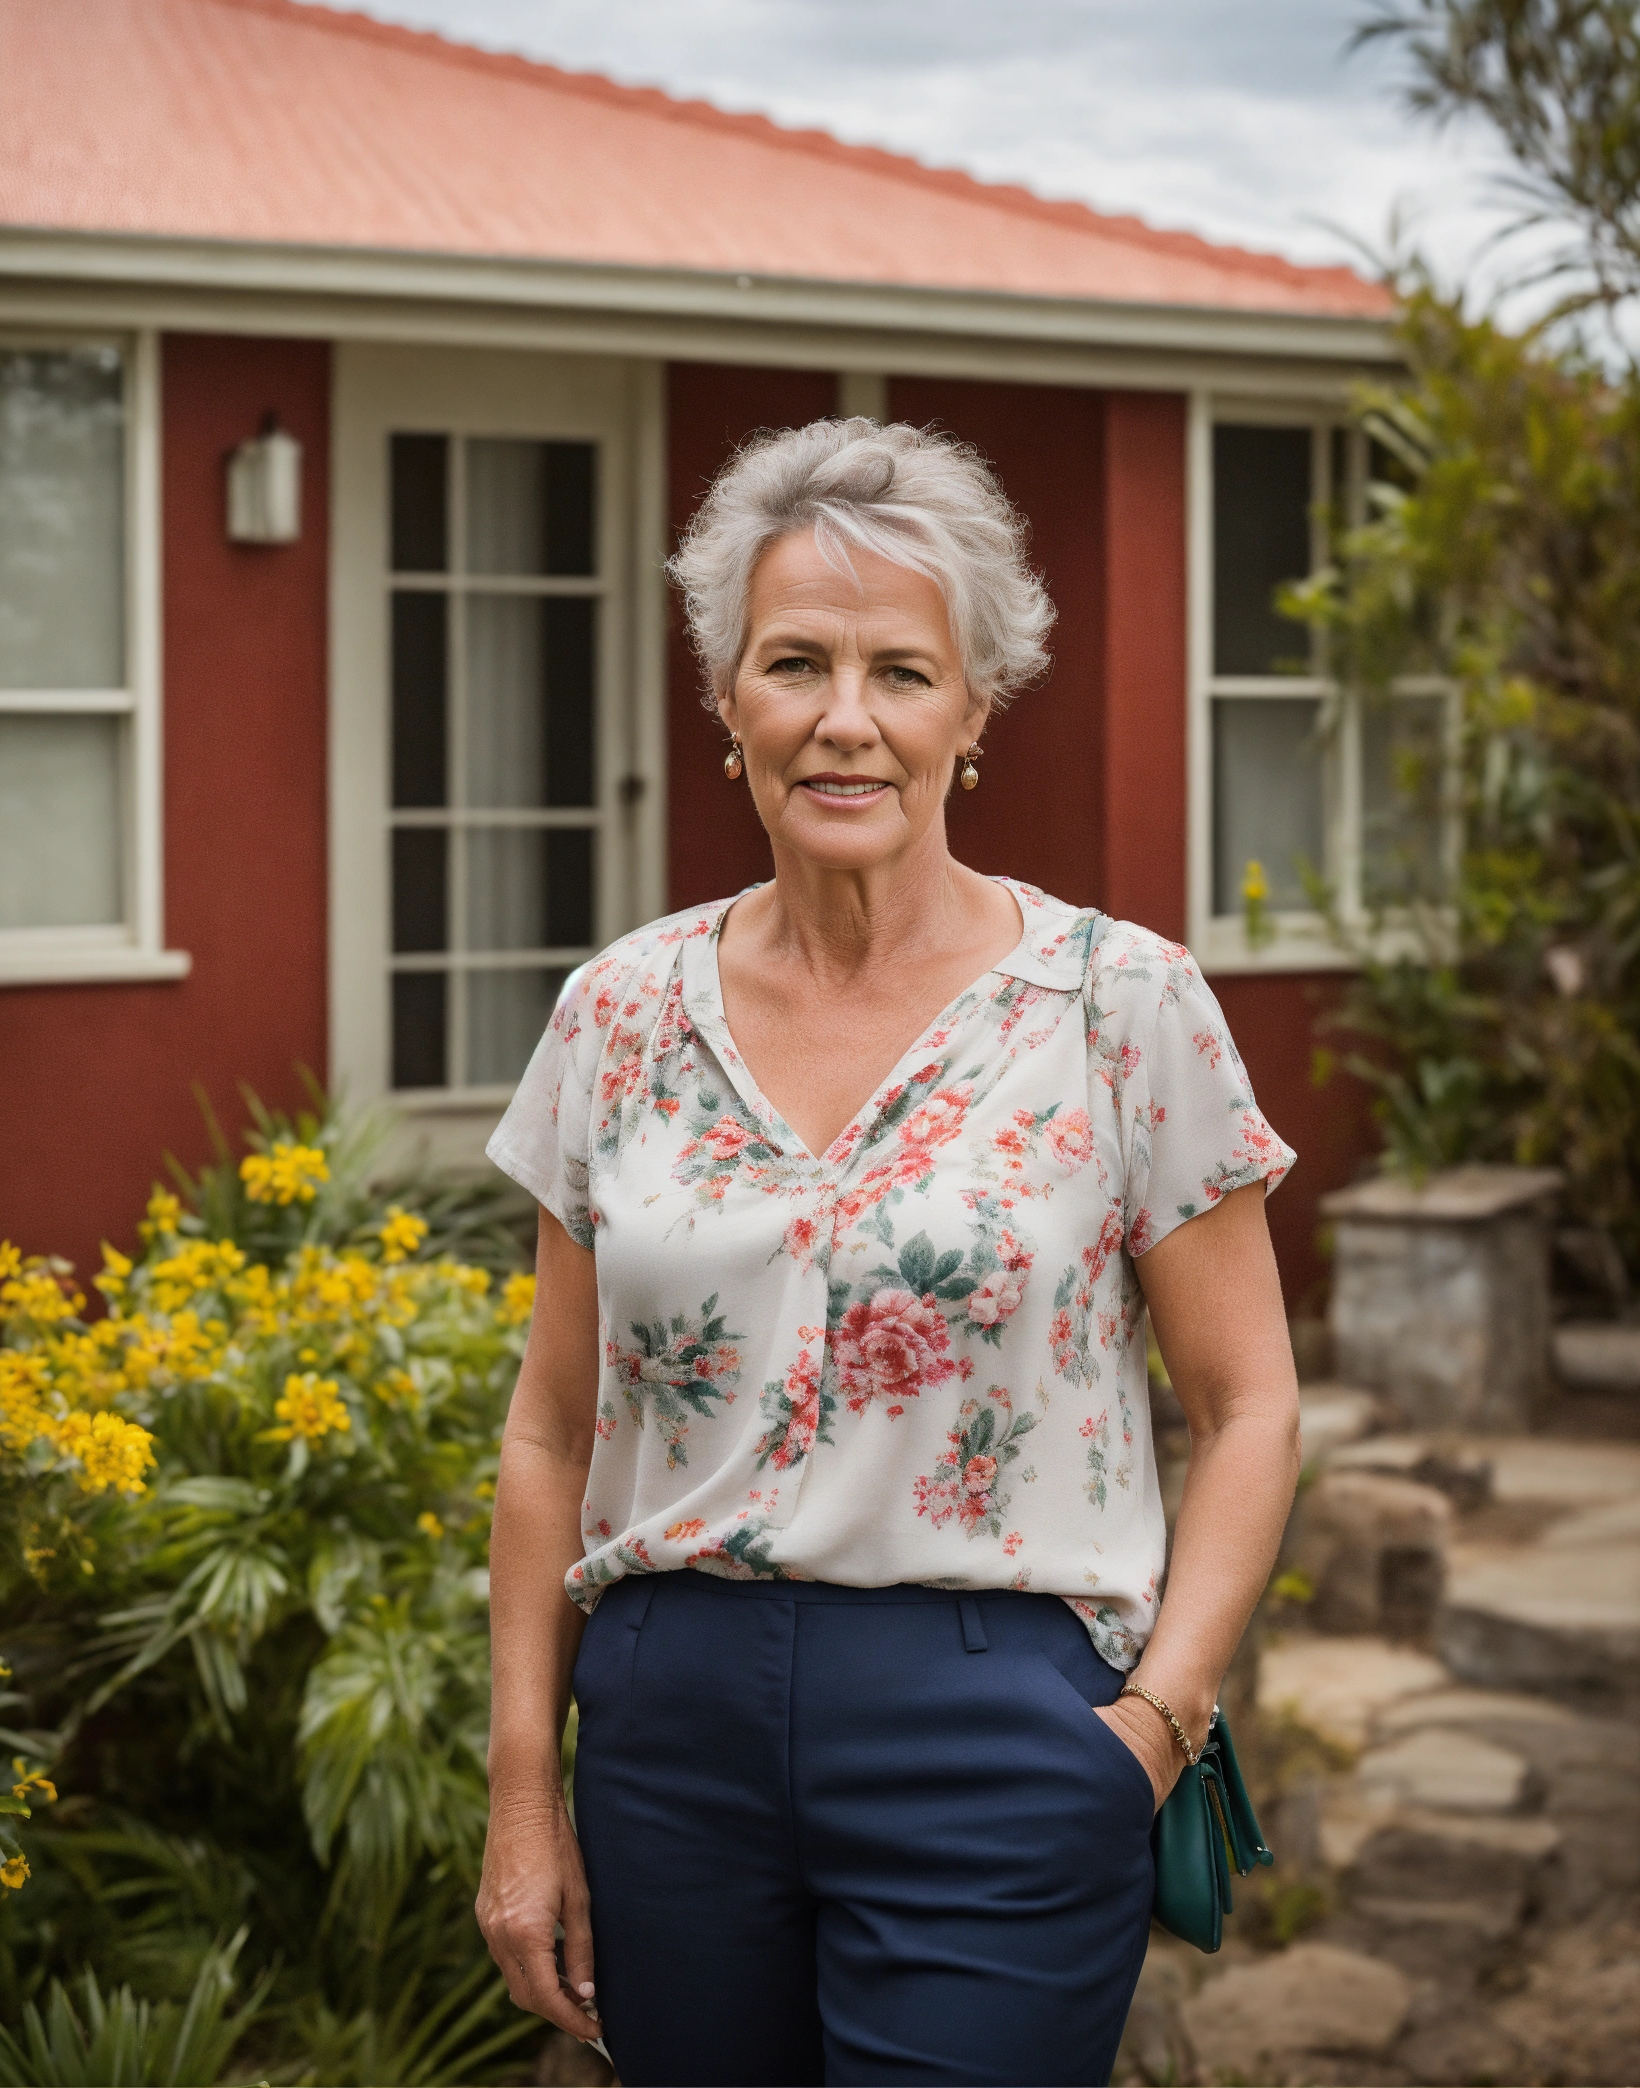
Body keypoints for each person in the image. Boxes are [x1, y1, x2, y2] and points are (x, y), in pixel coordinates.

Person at [476, 418, 1302, 2088]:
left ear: (973, 711)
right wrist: (522, 1796)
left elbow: (1252, 1407)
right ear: (729, 703)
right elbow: (553, 1429)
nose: (845, 718)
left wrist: (1152, 1730)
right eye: (796, 663)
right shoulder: (617, 1015)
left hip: (998, 1735)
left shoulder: (1119, 1006)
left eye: (900, 673)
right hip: (671, 1738)